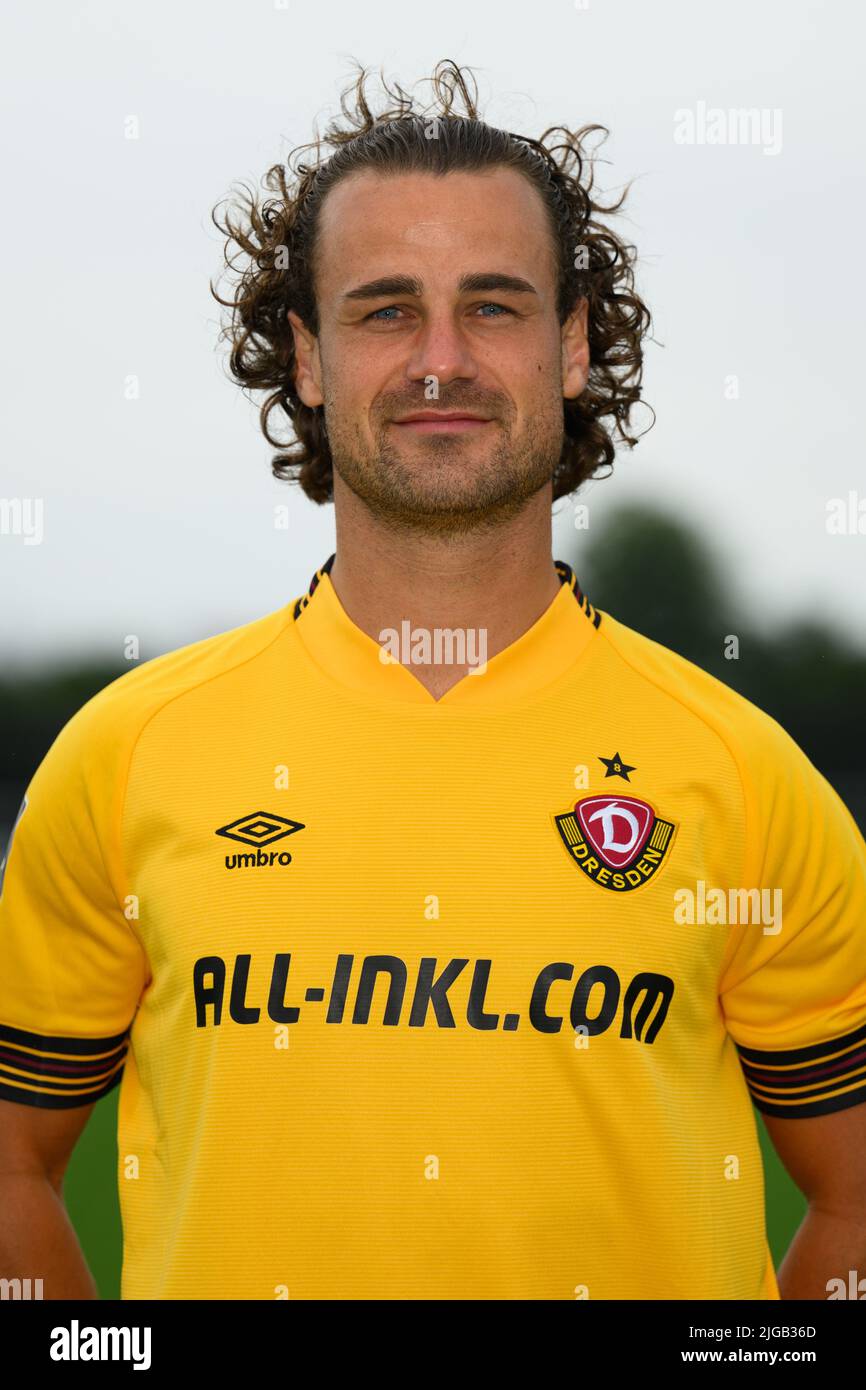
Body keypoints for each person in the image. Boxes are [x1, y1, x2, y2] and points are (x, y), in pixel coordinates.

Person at [1, 60, 864, 1302]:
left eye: (494, 307)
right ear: (308, 357)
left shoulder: (743, 774)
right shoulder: (126, 753)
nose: (440, 360)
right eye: (385, 311)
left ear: (570, 346)